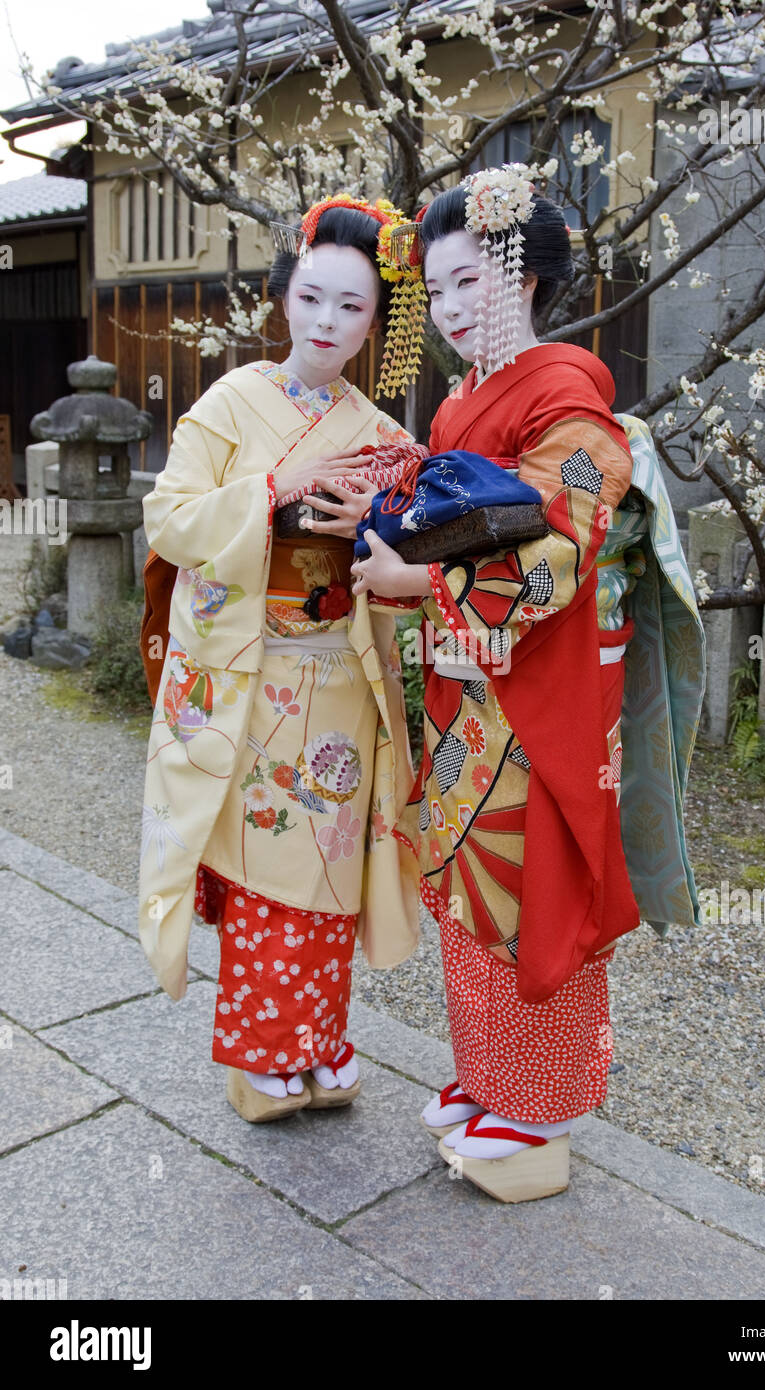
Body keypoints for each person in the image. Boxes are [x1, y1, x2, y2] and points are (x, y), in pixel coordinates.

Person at [351, 166, 705, 1200]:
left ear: (526, 277)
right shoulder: (463, 401)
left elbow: (564, 536)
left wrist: (416, 573)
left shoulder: (568, 397)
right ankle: (487, 1078)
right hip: (470, 689)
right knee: (465, 884)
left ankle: (537, 1117)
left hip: (539, 694)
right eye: (442, 289)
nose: (456, 308)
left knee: (530, 884)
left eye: (475, 282)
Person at [138, 194, 426, 1122]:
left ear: (377, 321)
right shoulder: (231, 403)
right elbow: (171, 520)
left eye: (352, 307)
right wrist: (275, 489)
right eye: (312, 299)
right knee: (271, 863)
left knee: (330, 866)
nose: (327, 323)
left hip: (340, 674)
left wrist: (385, 526)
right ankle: (265, 1052)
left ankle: (324, 1040)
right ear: (284, 299)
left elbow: (406, 559)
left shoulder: (383, 435)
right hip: (254, 671)